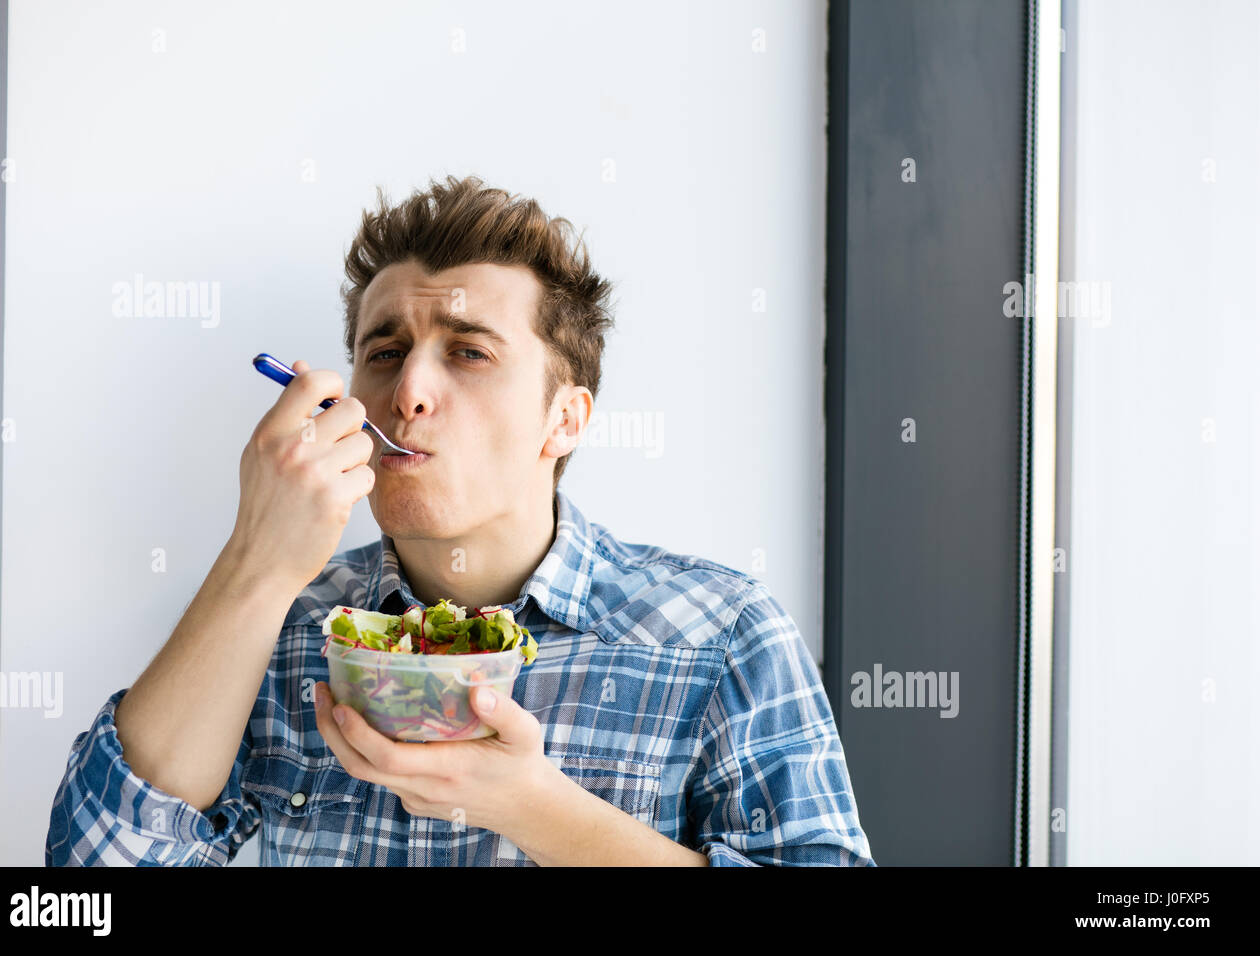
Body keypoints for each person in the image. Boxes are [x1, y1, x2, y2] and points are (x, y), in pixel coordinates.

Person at [46, 175, 875, 866]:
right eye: (383, 352)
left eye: (469, 352)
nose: (408, 392)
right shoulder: (281, 628)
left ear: (567, 419)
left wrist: (533, 807)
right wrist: (256, 563)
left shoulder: (722, 634)